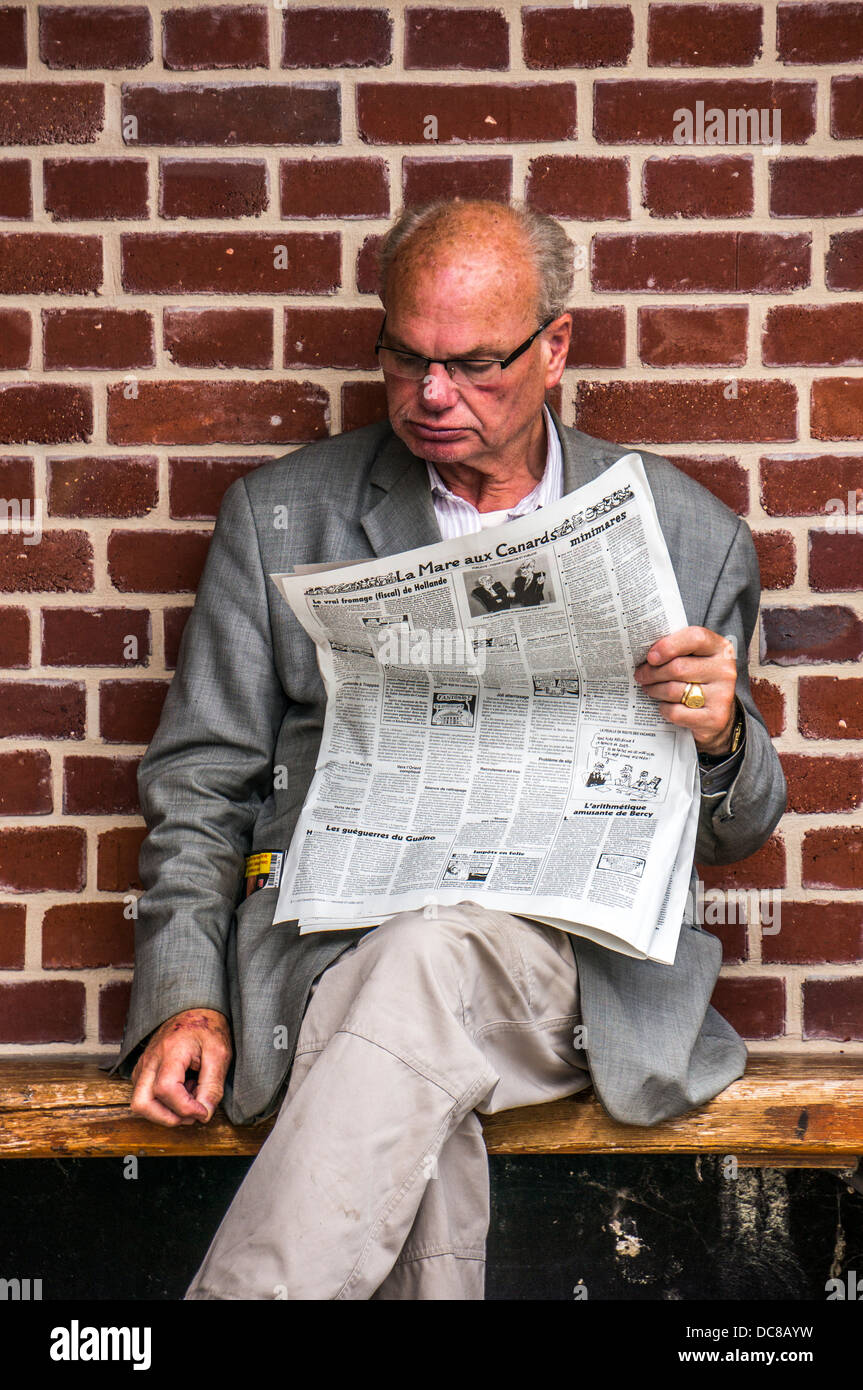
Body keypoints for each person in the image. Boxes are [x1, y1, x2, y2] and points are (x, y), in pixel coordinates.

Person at [113, 198, 786, 1300]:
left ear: (553, 347)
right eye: (406, 359)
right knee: (413, 1056)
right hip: (333, 958)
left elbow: (737, 826)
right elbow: (201, 782)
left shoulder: (682, 529)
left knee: (426, 960)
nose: (432, 397)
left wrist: (718, 734)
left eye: (473, 364)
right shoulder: (283, 515)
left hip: (564, 980)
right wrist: (186, 997)